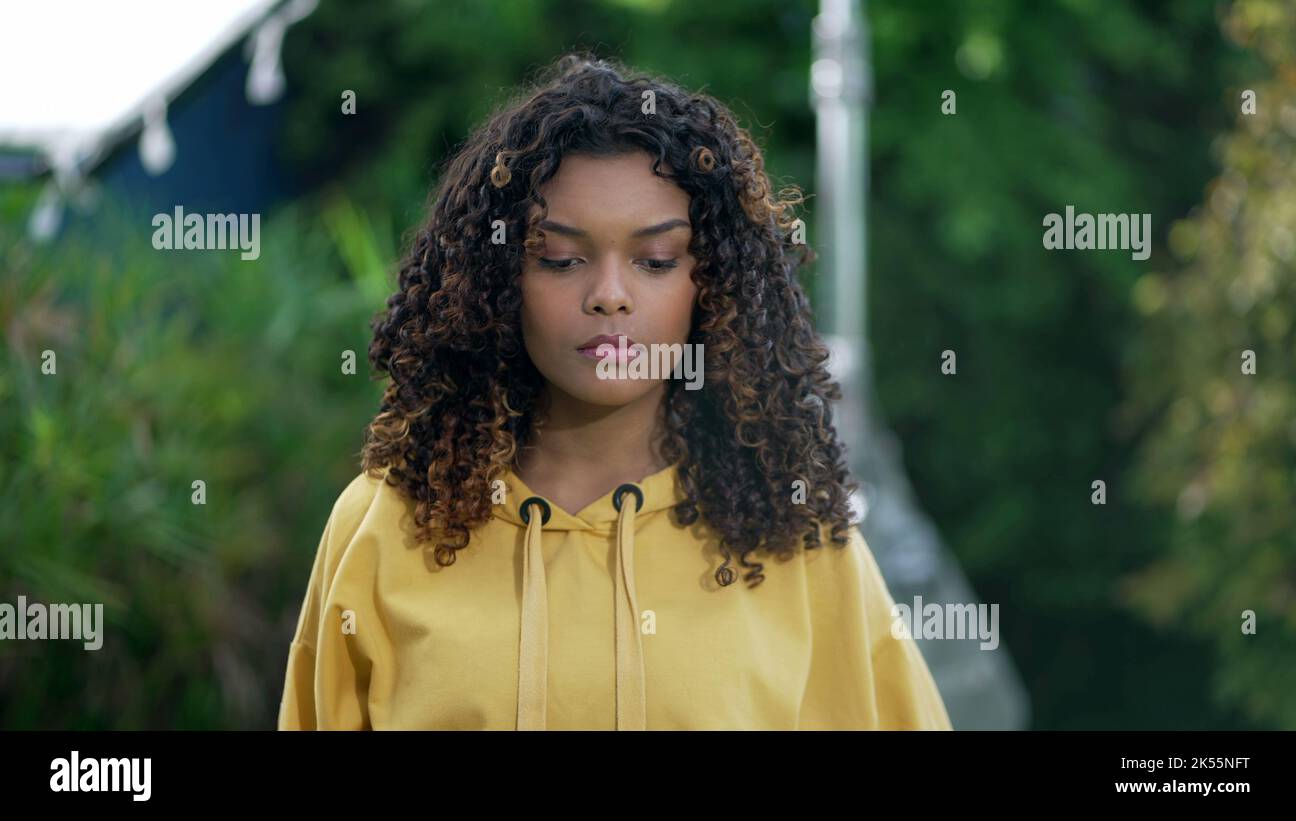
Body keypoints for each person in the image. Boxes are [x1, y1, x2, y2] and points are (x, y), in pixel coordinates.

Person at [277, 54, 951, 731]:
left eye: (655, 261)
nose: (608, 295)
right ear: (499, 277)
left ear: (710, 281)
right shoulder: (385, 521)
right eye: (562, 259)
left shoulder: (794, 532)